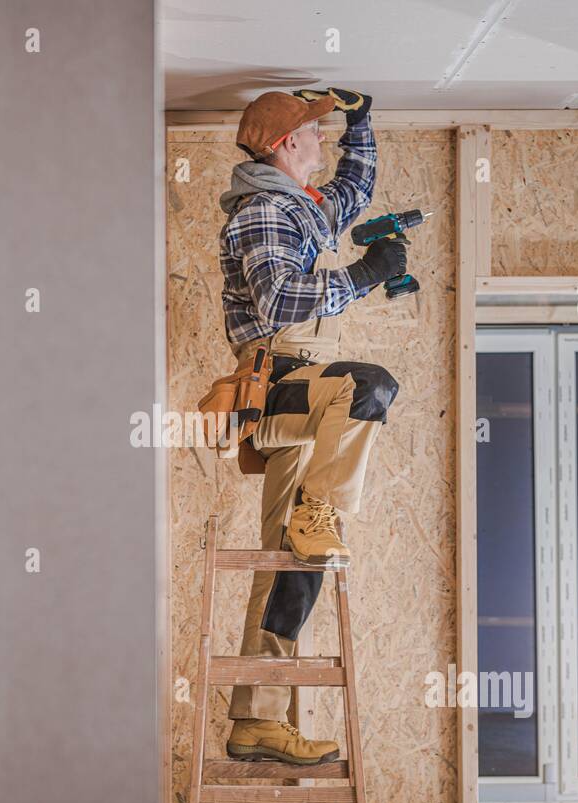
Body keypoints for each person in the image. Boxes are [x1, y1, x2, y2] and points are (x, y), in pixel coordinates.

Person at [217, 87, 405, 765]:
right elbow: (279, 300)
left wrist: (361, 123)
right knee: (370, 386)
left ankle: (256, 720)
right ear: (284, 144)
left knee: (294, 565)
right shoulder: (265, 211)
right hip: (279, 387)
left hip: (309, 395)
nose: (322, 144)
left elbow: (355, 188)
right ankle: (320, 509)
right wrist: (363, 274)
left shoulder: (307, 207)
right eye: (315, 134)